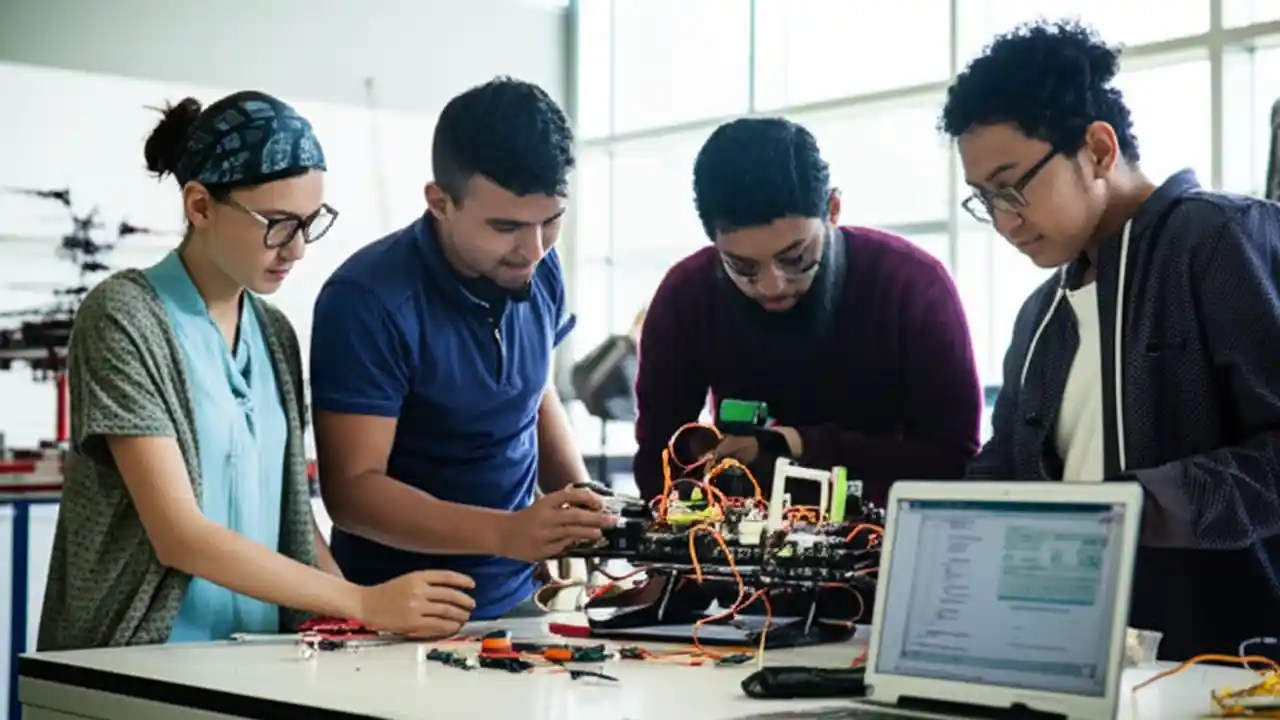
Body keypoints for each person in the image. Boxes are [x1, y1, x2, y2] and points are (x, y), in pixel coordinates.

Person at [37, 90, 475, 651]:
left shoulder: (274, 334)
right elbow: (180, 536)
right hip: (137, 664)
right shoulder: (123, 318)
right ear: (199, 206)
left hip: (254, 663)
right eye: (276, 223)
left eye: (308, 224)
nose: (295, 250)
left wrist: (370, 624)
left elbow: (292, 519)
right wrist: (364, 601)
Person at [942, 19, 1280, 660]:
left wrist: (1141, 504)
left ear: (1098, 149)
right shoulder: (1042, 314)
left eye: (1014, 186)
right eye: (985, 200)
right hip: (1071, 657)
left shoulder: (1219, 242)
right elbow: (1005, 470)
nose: (1004, 220)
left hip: (1225, 662)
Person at [308, 77, 612, 622]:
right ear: (440, 202)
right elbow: (352, 494)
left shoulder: (537, 267)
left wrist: (581, 504)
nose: (534, 249)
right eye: (506, 226)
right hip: (399, 614)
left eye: (552, 221)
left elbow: (535, 391)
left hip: (521, 598)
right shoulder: (366, 300)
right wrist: (507, 532)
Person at [632, 117, 983, 508]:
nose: (771, 285)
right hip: (738, 547)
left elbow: (953, 459)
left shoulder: (912, 285)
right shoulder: (687, 294)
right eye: (742, 267)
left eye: (795, 258)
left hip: (889, 539)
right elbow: (657, 462)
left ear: (833, 210)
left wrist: (796, 444)